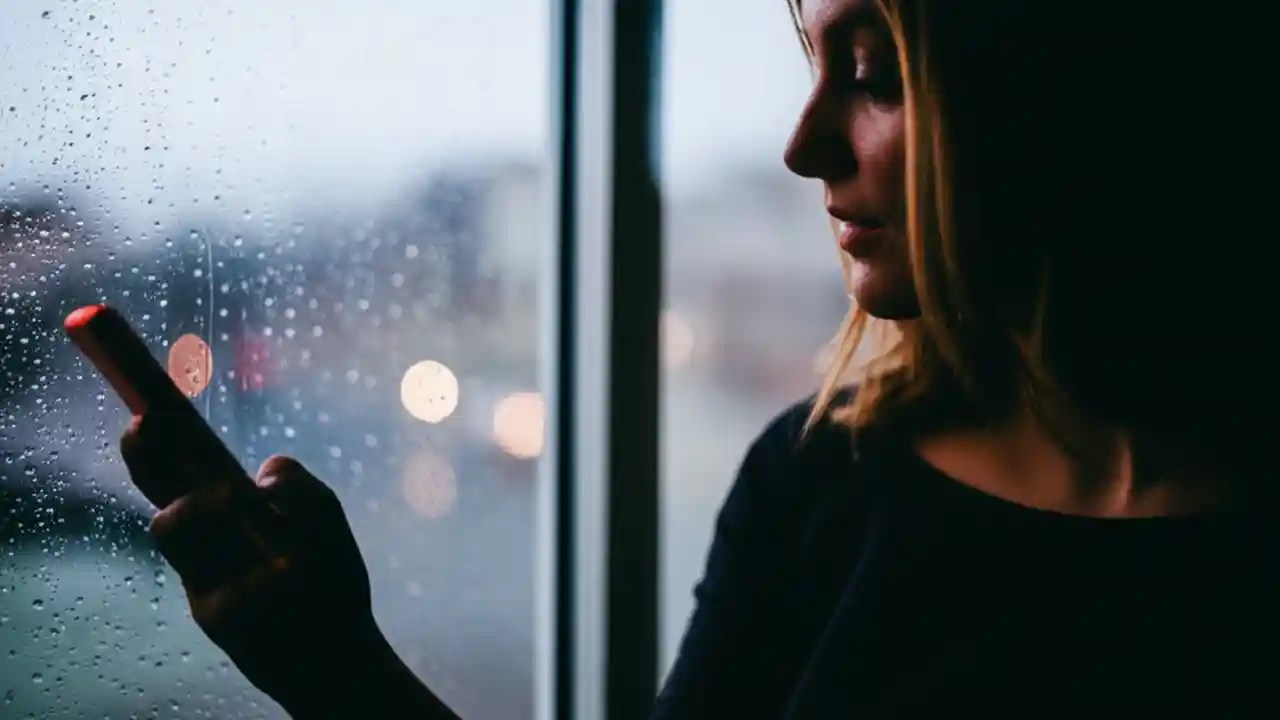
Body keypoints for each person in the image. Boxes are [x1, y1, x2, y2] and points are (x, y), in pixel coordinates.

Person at [119, 0, 1278, 717]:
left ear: (1066, 82)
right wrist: (335, 668)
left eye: (874, 74)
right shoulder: (825, 473)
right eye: (813, 62)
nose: (800, 143)